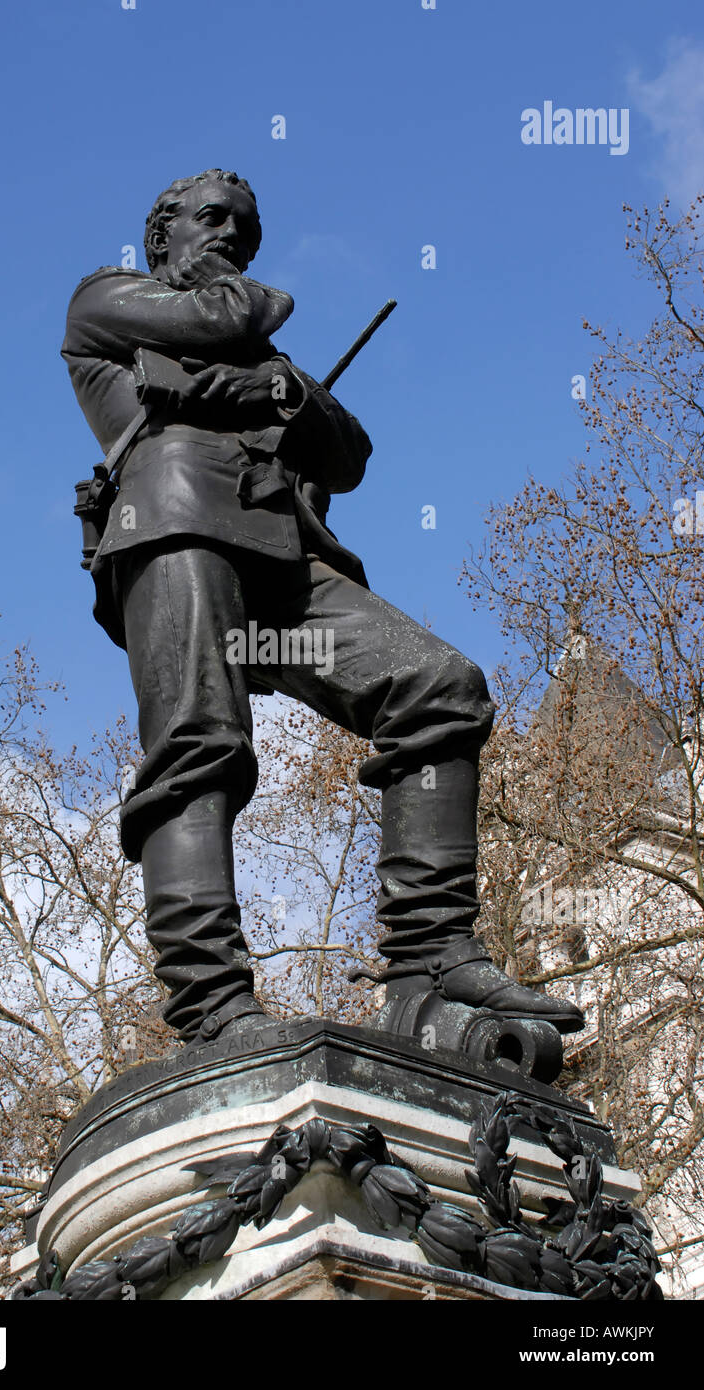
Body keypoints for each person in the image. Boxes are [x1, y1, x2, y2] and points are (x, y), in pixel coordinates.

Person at [61, 168, 584, 1044]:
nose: (232, 235)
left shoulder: (260, 356)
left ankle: (429, 963)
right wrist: (257, 319)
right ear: (161, 237)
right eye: (213, 219)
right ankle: (212, 1008)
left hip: (285, 573)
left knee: (438, 688)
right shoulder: (106, 300)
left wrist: (278, 393)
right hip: (178, 527)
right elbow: (228, 314)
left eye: (246, 228)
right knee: (198, 743)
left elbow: (347, 452)